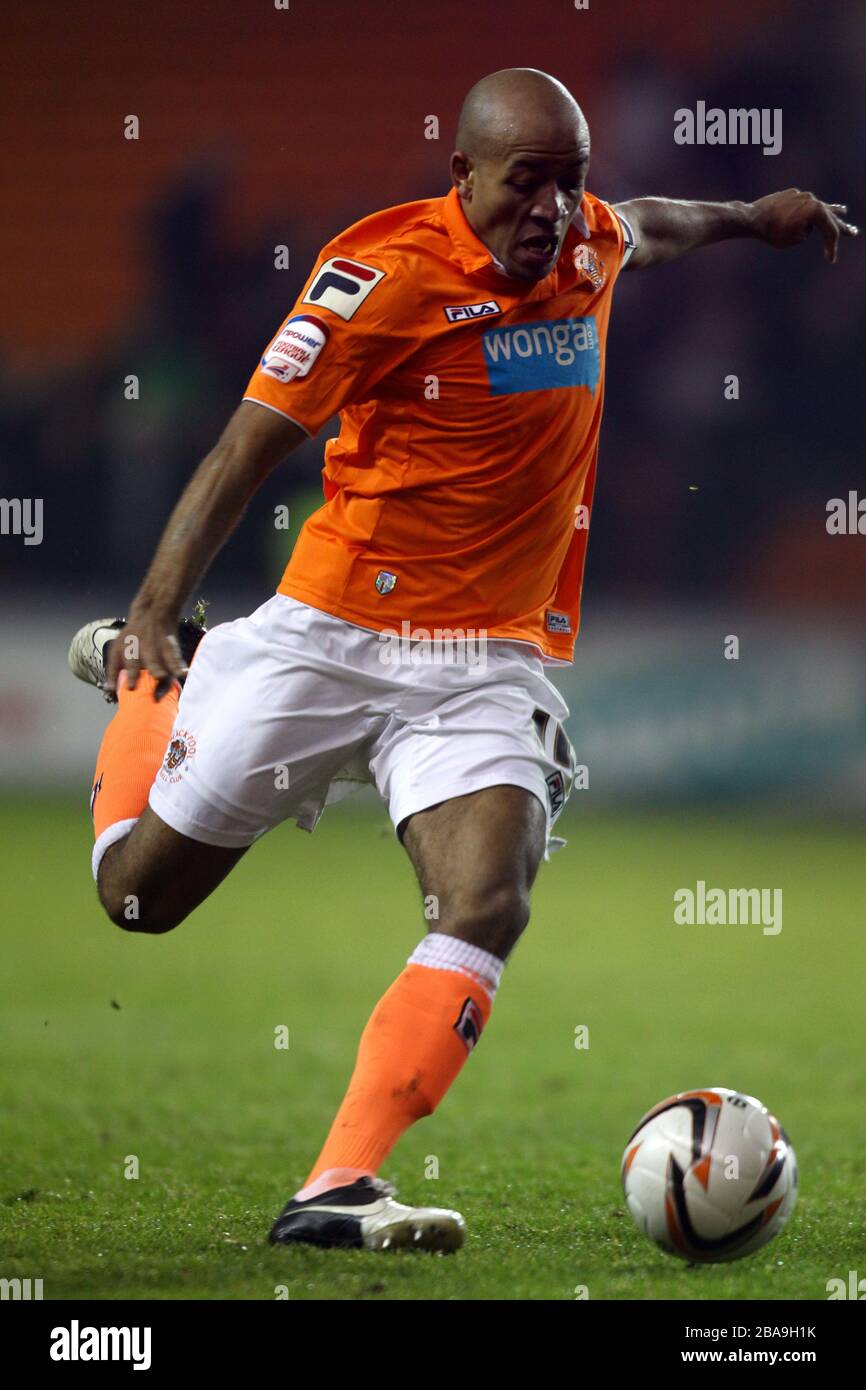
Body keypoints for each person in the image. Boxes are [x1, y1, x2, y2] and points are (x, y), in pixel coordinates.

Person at [68, 68, 856, 1252]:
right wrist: (151, 606)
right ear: (464, 178)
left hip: (480, 658)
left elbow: (651, 224)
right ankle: (153, 681)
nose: (551, 209)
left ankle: (336, 1185)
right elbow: (241, 449)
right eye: (525, 183)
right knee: (135, 900)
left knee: (486, 897)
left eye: (567, 182)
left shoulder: (587, 239)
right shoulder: (379, 277)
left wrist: (756, 219)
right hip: (327, 636)